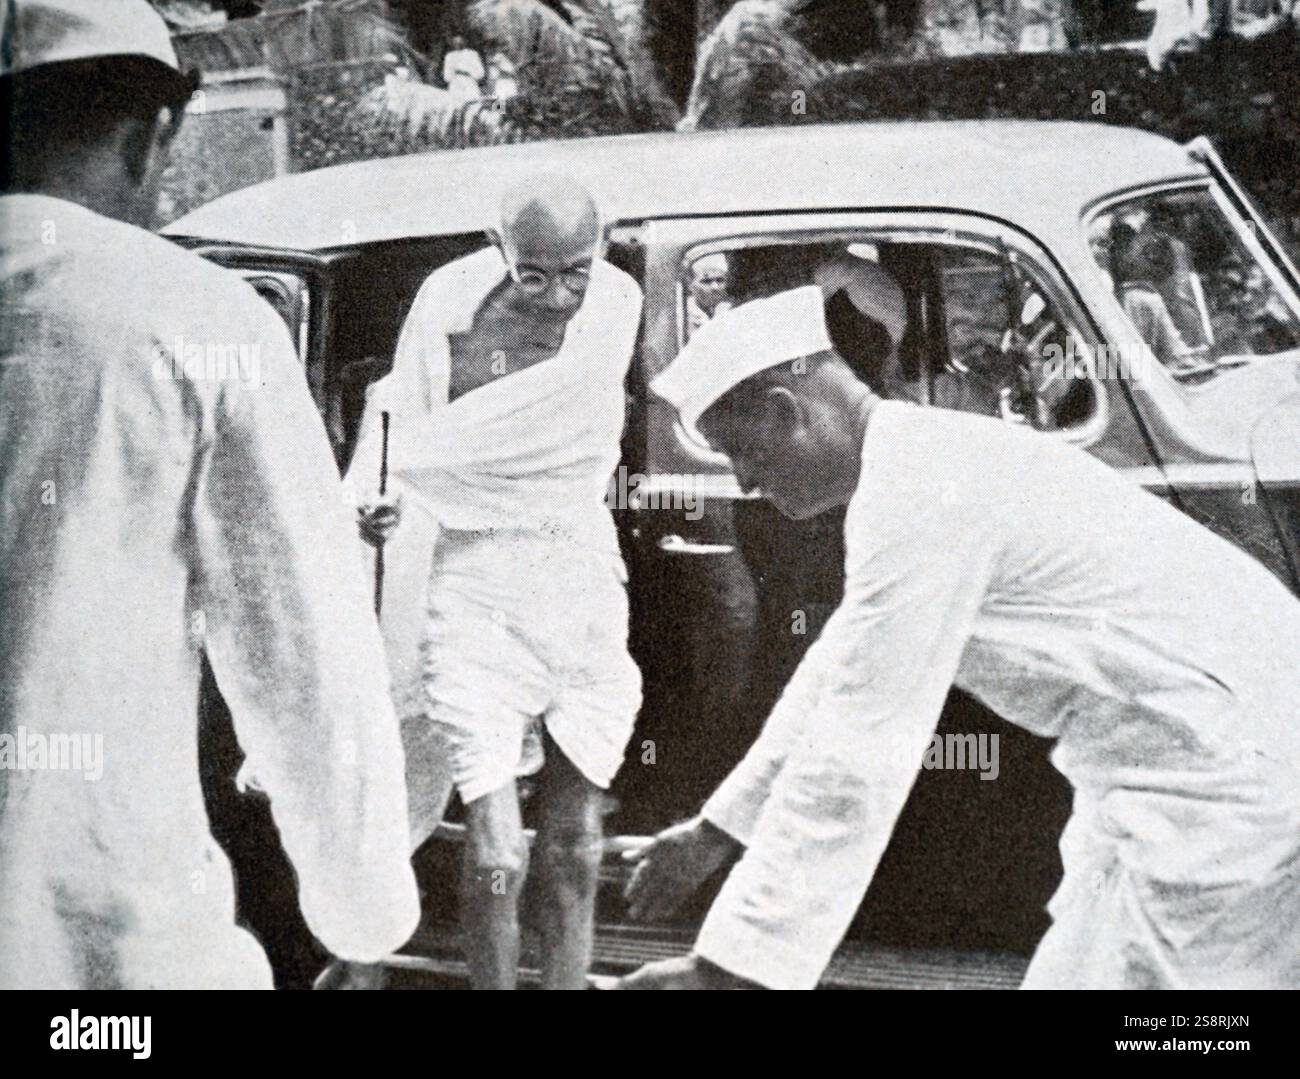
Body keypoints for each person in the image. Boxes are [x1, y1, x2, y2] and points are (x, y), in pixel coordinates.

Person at [617, 285, 1300, 990]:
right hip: (1189, 775)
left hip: (1226, 786)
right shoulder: (920, 467)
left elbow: (859, 742)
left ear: (787, 412)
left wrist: (733, 967)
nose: (746, 482)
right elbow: (838, 675)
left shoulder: (918, 493)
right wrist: (716, 832)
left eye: (742, 453)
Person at [0, 0, 420, 989]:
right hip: (105, 944)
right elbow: (303, 648)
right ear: (153, 136)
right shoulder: (192, 319)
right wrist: (362, 908)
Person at [347, 174, 643, 989]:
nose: (557, 295)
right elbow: (400, 428)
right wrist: (380, 501)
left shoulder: (614, 303)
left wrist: (416, 469)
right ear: (495, 247)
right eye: (533, 273)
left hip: (576, 568)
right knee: (495, 834)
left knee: (578, 838)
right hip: (470, 577)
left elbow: (556, 446)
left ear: (606, 243)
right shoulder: (443, 302)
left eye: (575, 270)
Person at [686, 252, 733, 332]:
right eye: (706, 281)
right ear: (690, 285)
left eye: (720, 280)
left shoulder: (731, 311)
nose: (715, 287)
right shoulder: (683, 314)